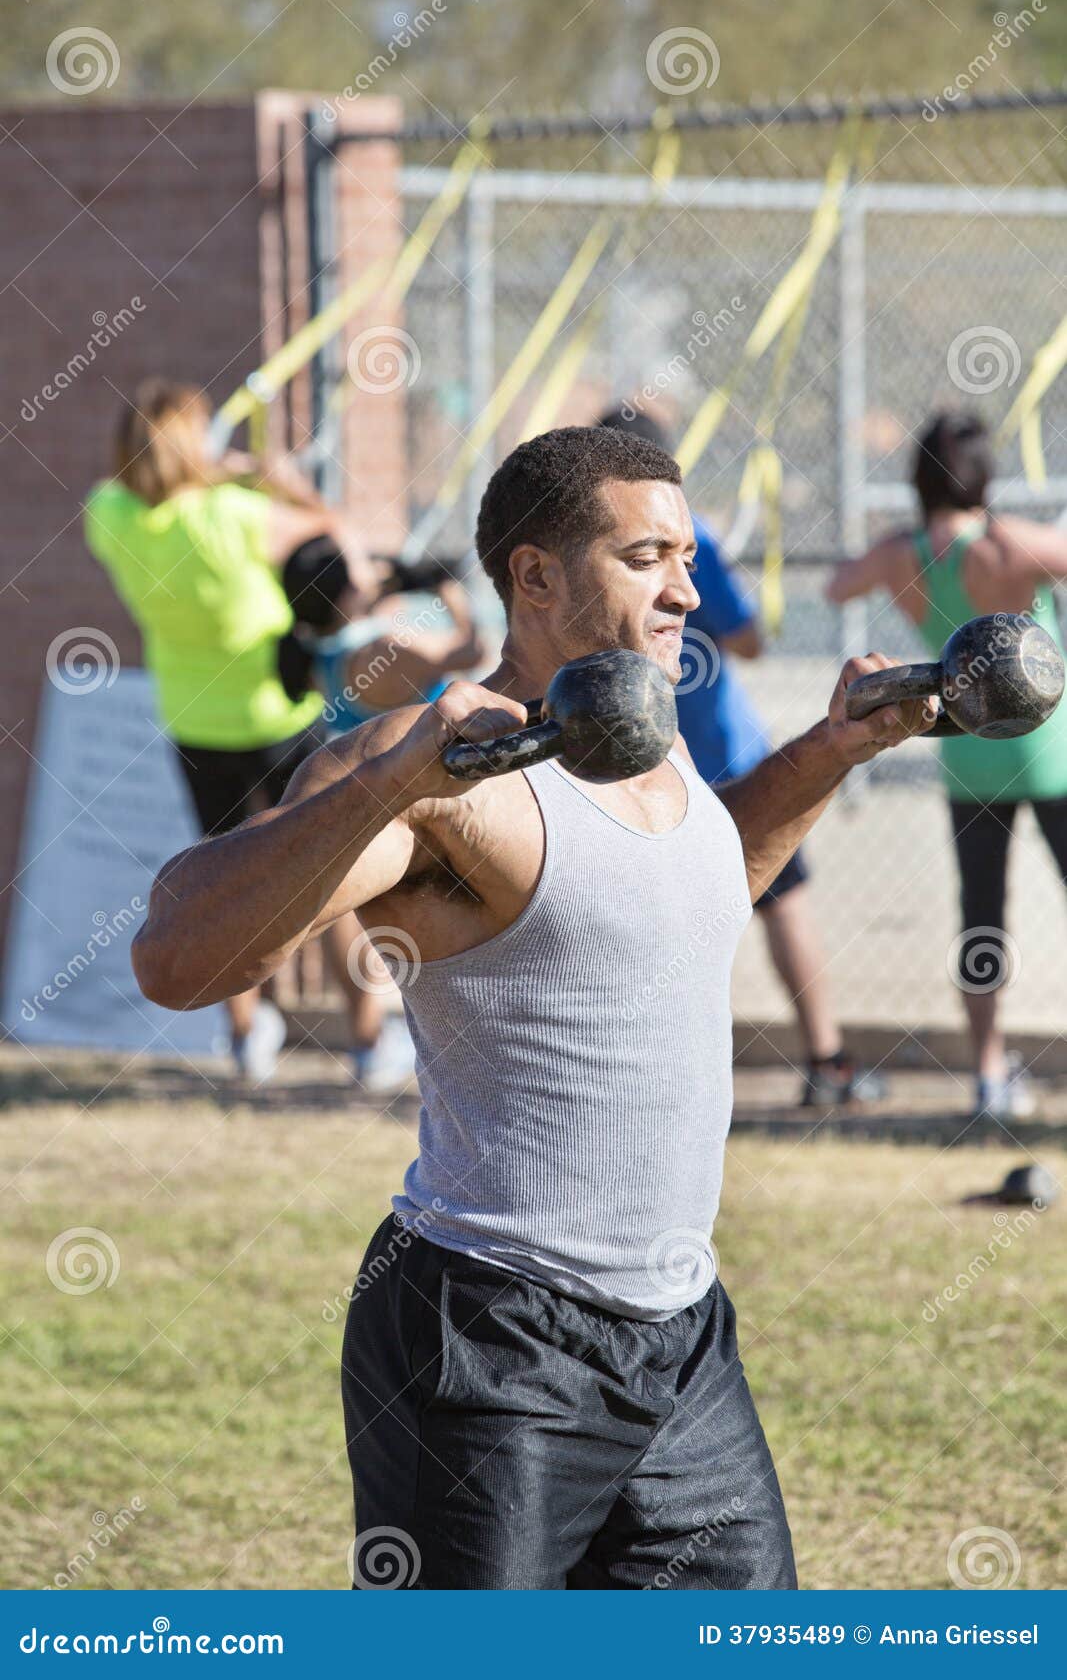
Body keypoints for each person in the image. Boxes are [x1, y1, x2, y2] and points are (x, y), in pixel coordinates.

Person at [131, 425, 933, 1590]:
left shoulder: (641, 740)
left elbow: (674, 902)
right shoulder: (440, 763)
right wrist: (386, 787)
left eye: (687, 557)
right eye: (646, 555)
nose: (685, 588)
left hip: (681, 1340)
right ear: (535, 575)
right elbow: (174, 956)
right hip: (491, 1346)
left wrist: (825, 752)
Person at [83, 378, 370, 1082]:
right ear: (194, 445)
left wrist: (226, 472)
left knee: (223, 877)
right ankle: (368, 1041)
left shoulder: (108, 514)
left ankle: (247, 1036)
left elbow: (139, 486)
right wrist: (285, 483)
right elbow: (338, 544)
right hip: (277, 713)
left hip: (193, 720)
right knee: (330, 871)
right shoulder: (235, 516)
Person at [599, 407, 883, 1108]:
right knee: (780, 907)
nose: (677, 582)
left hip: (669, 760)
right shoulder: (694, 546)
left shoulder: (608, 560)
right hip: (719, 762)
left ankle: (811, 1062)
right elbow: (750, 639)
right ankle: (825, 1059)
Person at [826, 410, 1067, 1119]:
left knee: (981, 923)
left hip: (970, 761)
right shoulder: (1005, 545)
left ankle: (989, 1076)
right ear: (981, 474)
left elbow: (835, 586)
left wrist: (894, 562)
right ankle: (994, 1078)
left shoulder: (902, 553)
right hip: (1050, 758)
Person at [277, 536, 486, 1090]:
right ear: (342, 593)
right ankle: (435, 1050)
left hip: (361, 800)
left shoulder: (325, 648)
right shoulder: (385, 649)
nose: (373, 567)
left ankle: (368, 1040)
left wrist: (396, 590)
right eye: (359, 566)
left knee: (354, 917)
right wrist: (448, 590)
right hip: (425, 807)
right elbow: (471, 652)